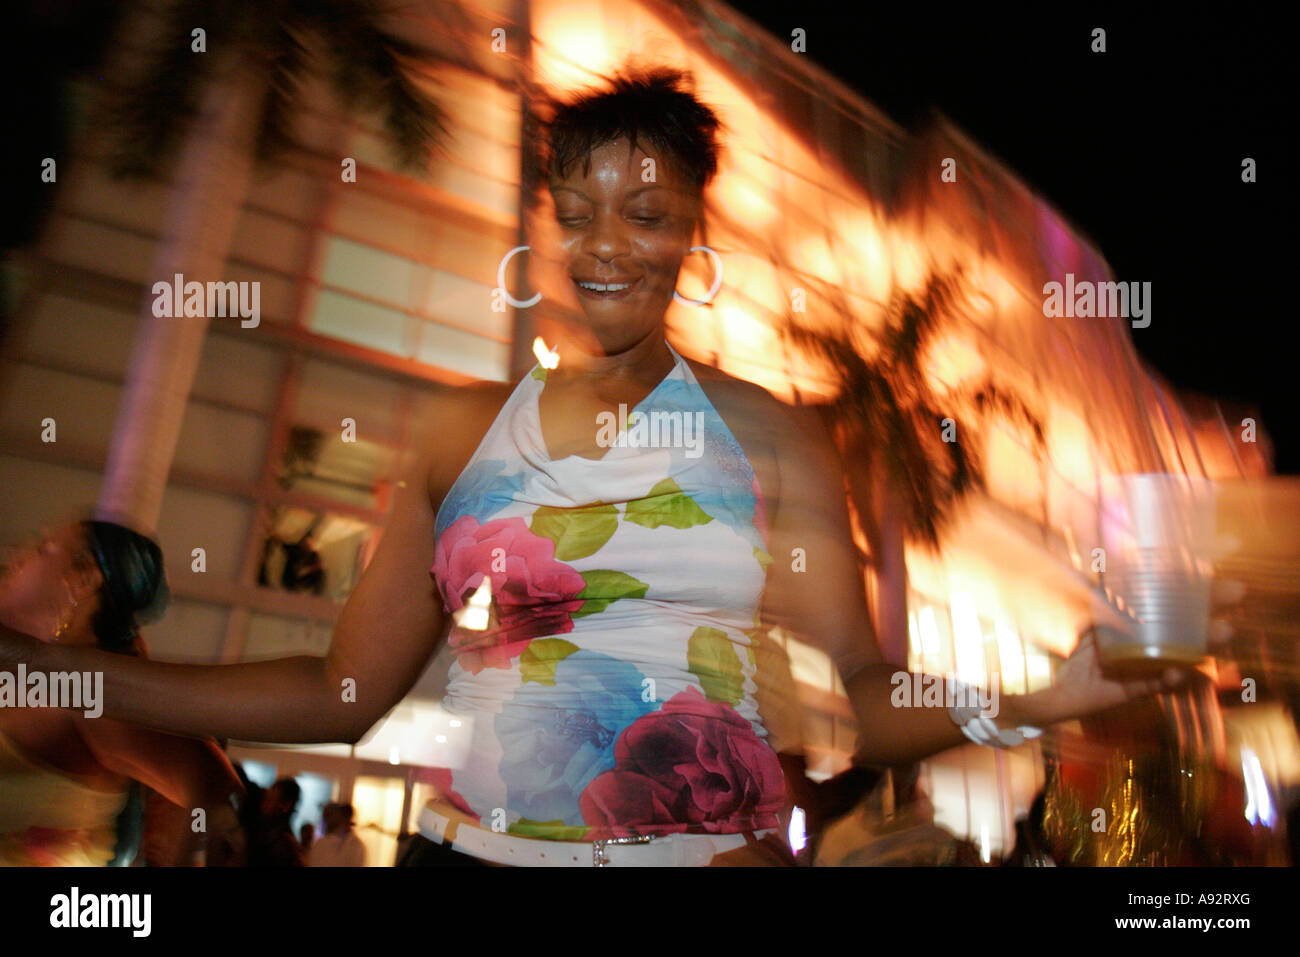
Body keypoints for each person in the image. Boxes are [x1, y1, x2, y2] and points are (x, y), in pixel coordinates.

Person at [0, 69, 1189, 867]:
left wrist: (1031, 697)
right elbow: (342, 693)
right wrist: (65, 678)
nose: (607, 245)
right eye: (580, 210)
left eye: (648, 211)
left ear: (694, 237)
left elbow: (869, 705)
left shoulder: (771, 437)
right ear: (547, 224)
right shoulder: (458, 430)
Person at [0, 520, 242, 866]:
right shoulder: (35, 667)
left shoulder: (94, 690)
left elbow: (215, 789)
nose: (17, 556)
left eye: (42, 549)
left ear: (84, 579)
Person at [247, 777, 304, 867]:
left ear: (285, 805)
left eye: (271, 799)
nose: (264, 804)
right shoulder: (270, 833)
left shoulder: (282, 843)